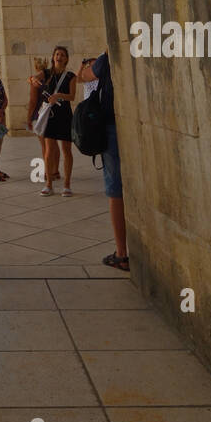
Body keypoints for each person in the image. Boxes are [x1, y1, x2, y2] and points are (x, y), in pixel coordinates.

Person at [77, 50, 128, 270]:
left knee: (115, 189)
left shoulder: (107, 58)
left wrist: (87, 64)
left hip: (110, 127)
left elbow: (84, 75)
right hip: (128, 125)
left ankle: (122, 253)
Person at [42, 45, 77, 196]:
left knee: (66, 150)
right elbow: (32, 79)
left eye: (62, 55)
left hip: (64, 115)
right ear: (53, 57)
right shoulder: (47, 73)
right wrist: (33, 80)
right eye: (57, 54)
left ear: (66, 59)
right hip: (50, 115)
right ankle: (48, 184)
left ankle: (67, 185)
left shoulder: (71, 76)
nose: (59, 57)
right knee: (49, 150)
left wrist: (59, 96)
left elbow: (72, 96)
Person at [27, 59, 50, 176]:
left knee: (44, 146)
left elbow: (33, 101)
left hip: (40, 115)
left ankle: (48, 171)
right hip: (50, 114)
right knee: (52, 145)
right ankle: (55, 170)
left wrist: (28, 118)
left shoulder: (35, 82)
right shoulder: (50, 79)